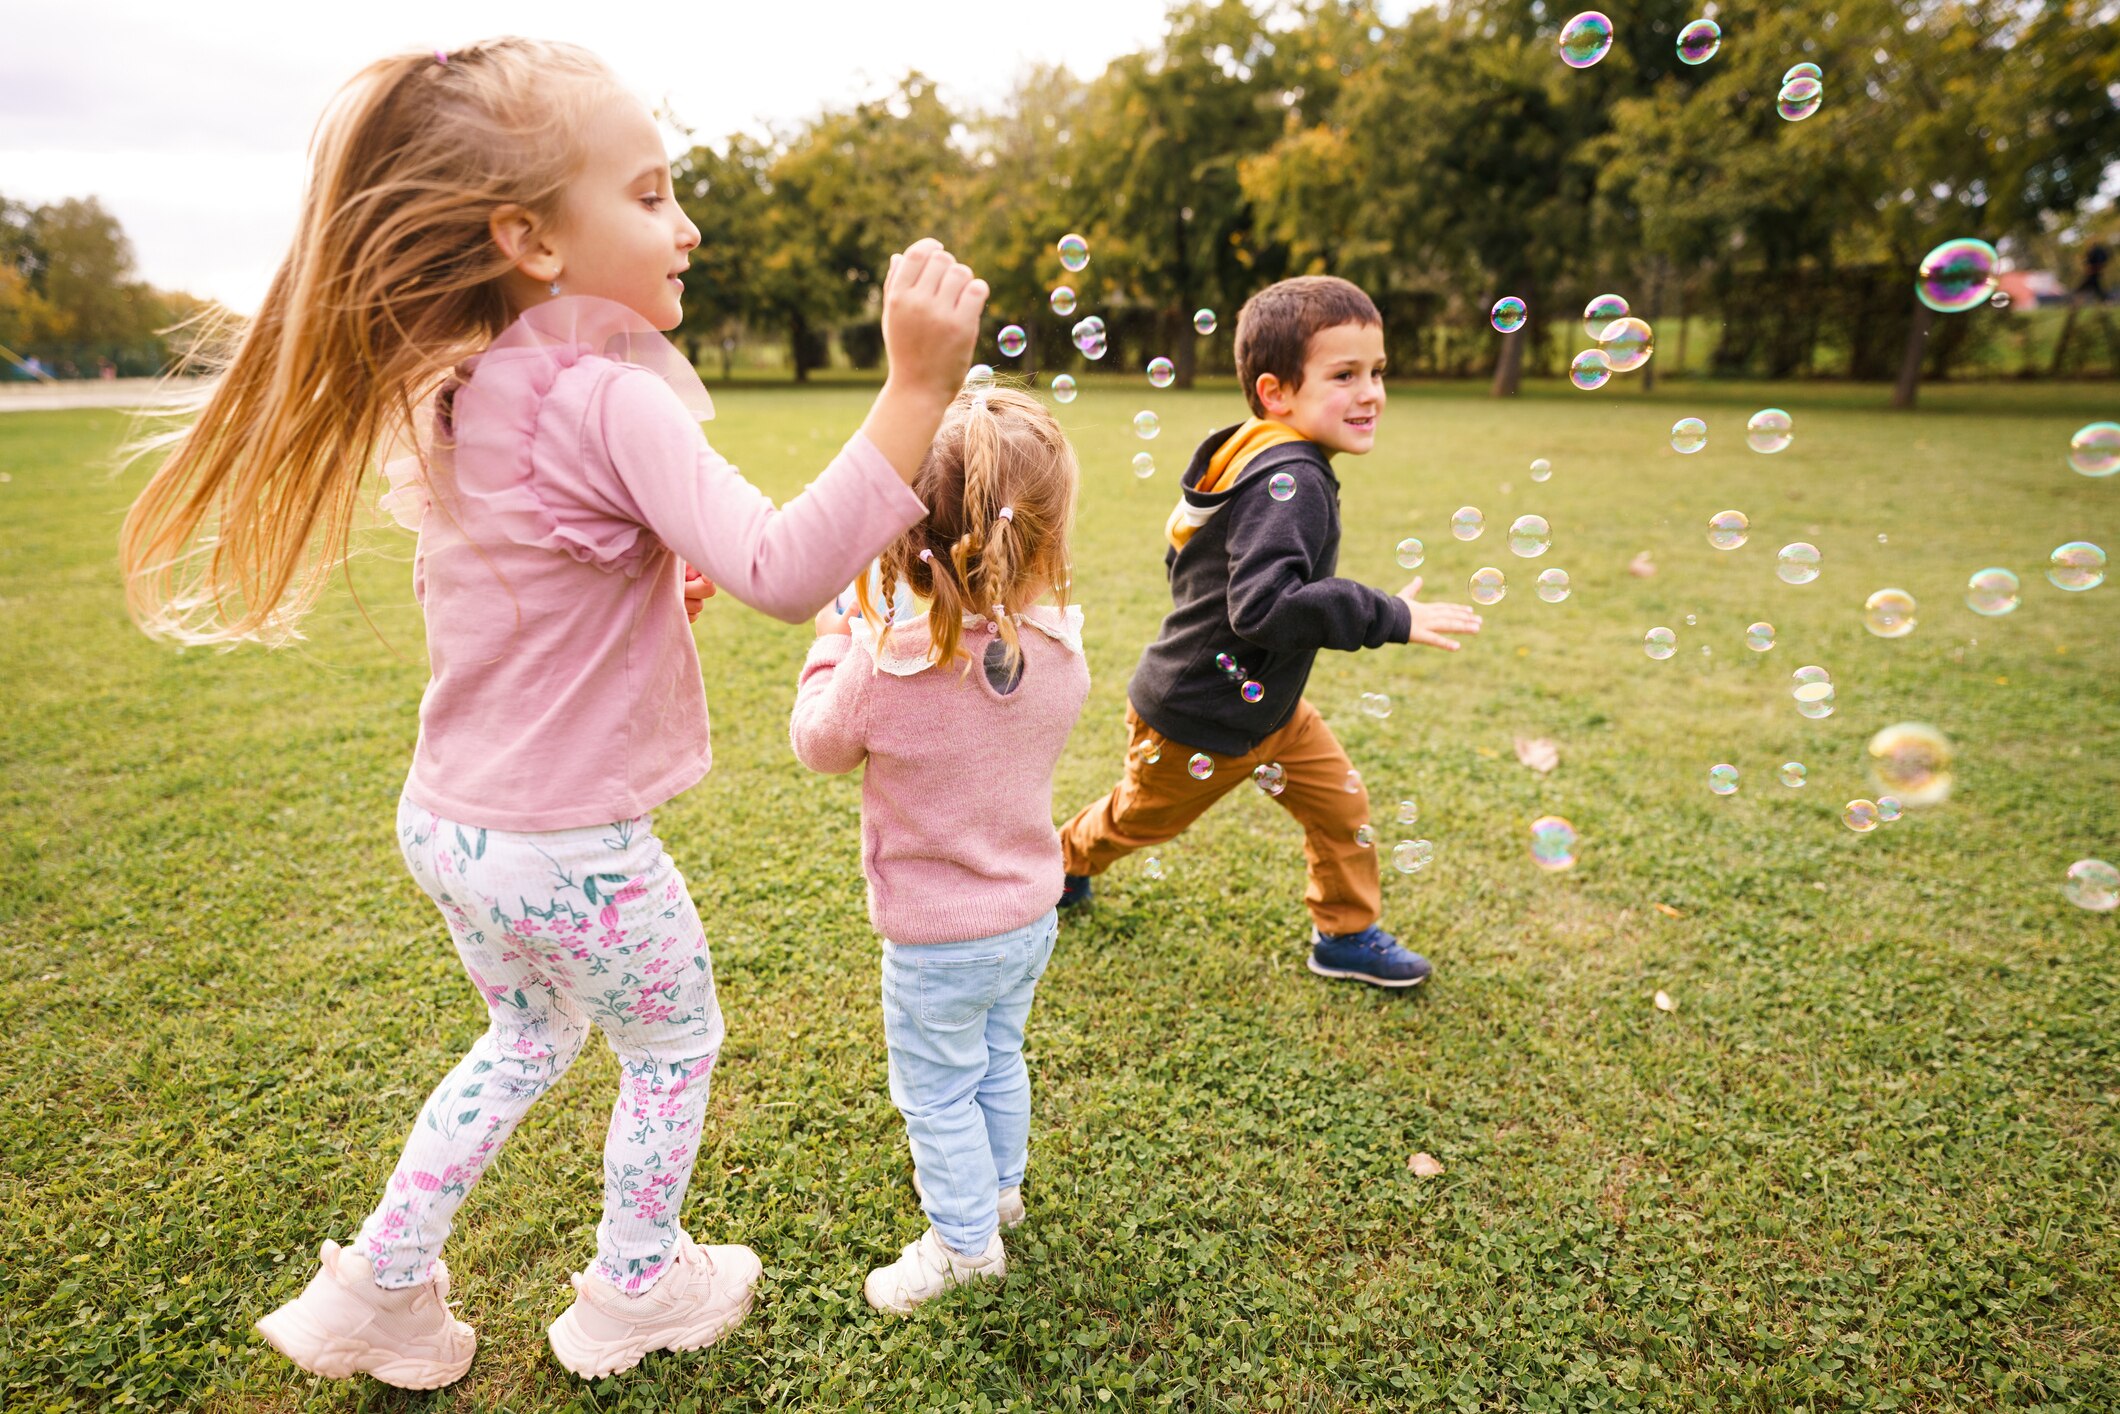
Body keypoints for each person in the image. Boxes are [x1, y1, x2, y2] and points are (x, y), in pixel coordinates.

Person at [117, 37, 987, 1386]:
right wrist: (915, 388)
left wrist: (648, 588)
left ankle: (378, 1291)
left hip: (453, 823)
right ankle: (638, 1283)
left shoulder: (463, 392)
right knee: (674, 1037)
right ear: (528, 235)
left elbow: (542, 577)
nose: (684, 223)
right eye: (647, 195)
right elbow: (782, 568)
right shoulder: (607, 394)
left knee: (525, 1035)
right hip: (569, 842)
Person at [1055, 276, 1482, 988]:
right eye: (1344, 375)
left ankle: (1345, 933)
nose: (1370, 392)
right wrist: (1388, 615)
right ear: (1276, 392)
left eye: (1377, 372)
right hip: (1202, 716)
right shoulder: (1294, 478)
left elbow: (1188, 555)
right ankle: (1060, 864)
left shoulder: (1250, 452)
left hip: (1271, 705)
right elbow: (1263, 607)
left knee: (1342, 806)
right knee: (1137, 820)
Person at [789, 384, 1089, 1313]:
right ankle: (999, 1189)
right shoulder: (1058, 650)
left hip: (935, 941)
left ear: (901, 537)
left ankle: (964, 1246)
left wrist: (836, 641)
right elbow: (985, 681)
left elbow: (818, 746)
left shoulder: (886, 665)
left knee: (936, 1093)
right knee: (1000, 1056)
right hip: (1027, 915)